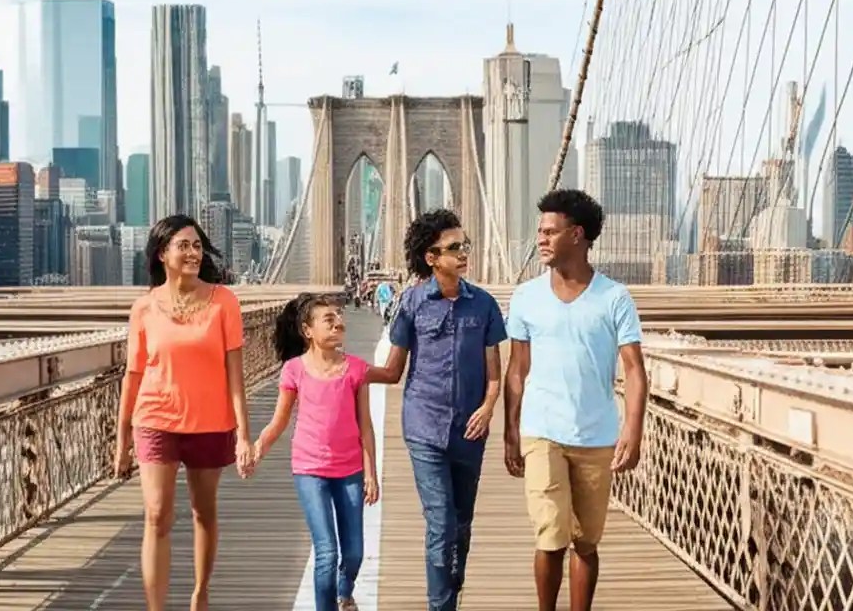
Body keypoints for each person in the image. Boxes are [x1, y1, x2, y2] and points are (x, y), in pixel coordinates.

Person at [502, 189, 646, 611]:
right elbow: (516, 369)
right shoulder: (526, 296)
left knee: (585, 542)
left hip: (596, 434)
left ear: (577, 235)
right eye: (540, 231)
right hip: (542, 431)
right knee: (550, 535)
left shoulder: (615, 298)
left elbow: (635, 370)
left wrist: (633, 431)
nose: (541, 239)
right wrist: (511, 430)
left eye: (550, 231)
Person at [113, 214, 256, 611]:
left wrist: (244, 435)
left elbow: (235, 377)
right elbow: (132, 375)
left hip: (210, 422)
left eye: (197, 245)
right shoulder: (143, 308)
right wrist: (121, 442)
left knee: (202, 512)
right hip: (155, 419)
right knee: (157, 514)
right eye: (184, 246)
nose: (194, 253)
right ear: (163, 254)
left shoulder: (224, 301)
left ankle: (200, 593)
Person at [368, 209, 507, 611]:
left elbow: (494, 375)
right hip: (424, 427)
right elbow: (394, 371)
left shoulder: (483, 305)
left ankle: (452, 581)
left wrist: (488, 407)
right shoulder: (411, 303)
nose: (464, 254)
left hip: (470, 429)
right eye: (454, 247)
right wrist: (346, 372)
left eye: (465, 245)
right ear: (431, 258)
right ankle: (440, 605)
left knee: (461, 525)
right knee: (441, 523)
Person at [253, 293, 379, 611]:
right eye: (329, 319)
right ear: (308, 331)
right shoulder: (294, 370)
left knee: (353, 552)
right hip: (309, 468)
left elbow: (366, 426)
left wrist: (371, 473)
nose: (339, 322)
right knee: (327, 551)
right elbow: (279, 421)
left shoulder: (355, 370)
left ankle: (344, 590)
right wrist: (258, 448)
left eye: (339, 317)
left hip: (350, 469)